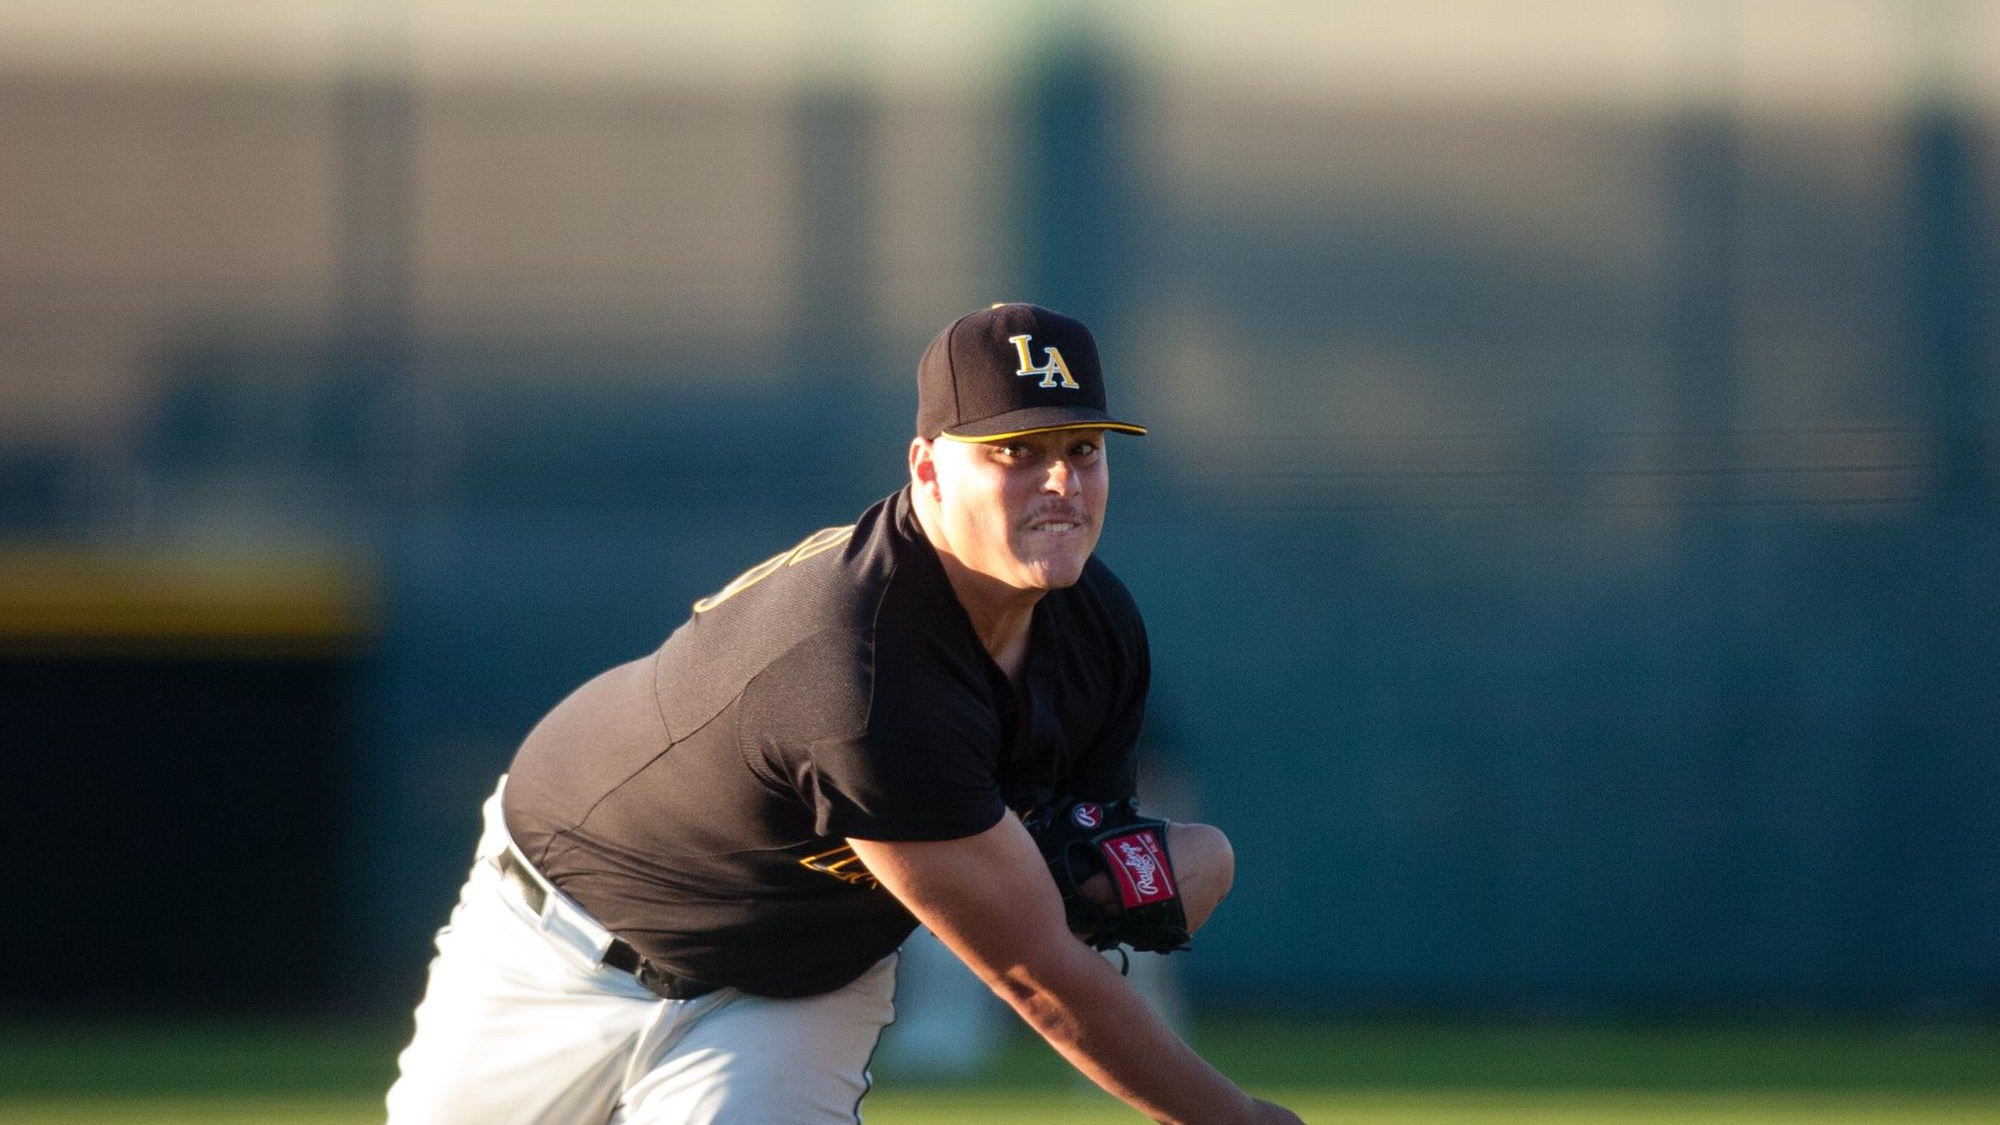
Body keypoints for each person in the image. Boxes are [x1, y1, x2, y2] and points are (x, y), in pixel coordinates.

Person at [385, 303, 1305, 1125]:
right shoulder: (859, 657)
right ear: (927, 469)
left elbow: (1083, 849)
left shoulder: (1098, 628)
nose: (1060, 481)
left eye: (1083, 450)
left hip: (792, 987)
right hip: (560, 935)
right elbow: (1034, 974)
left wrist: (1107, 875)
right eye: (1015, 452)